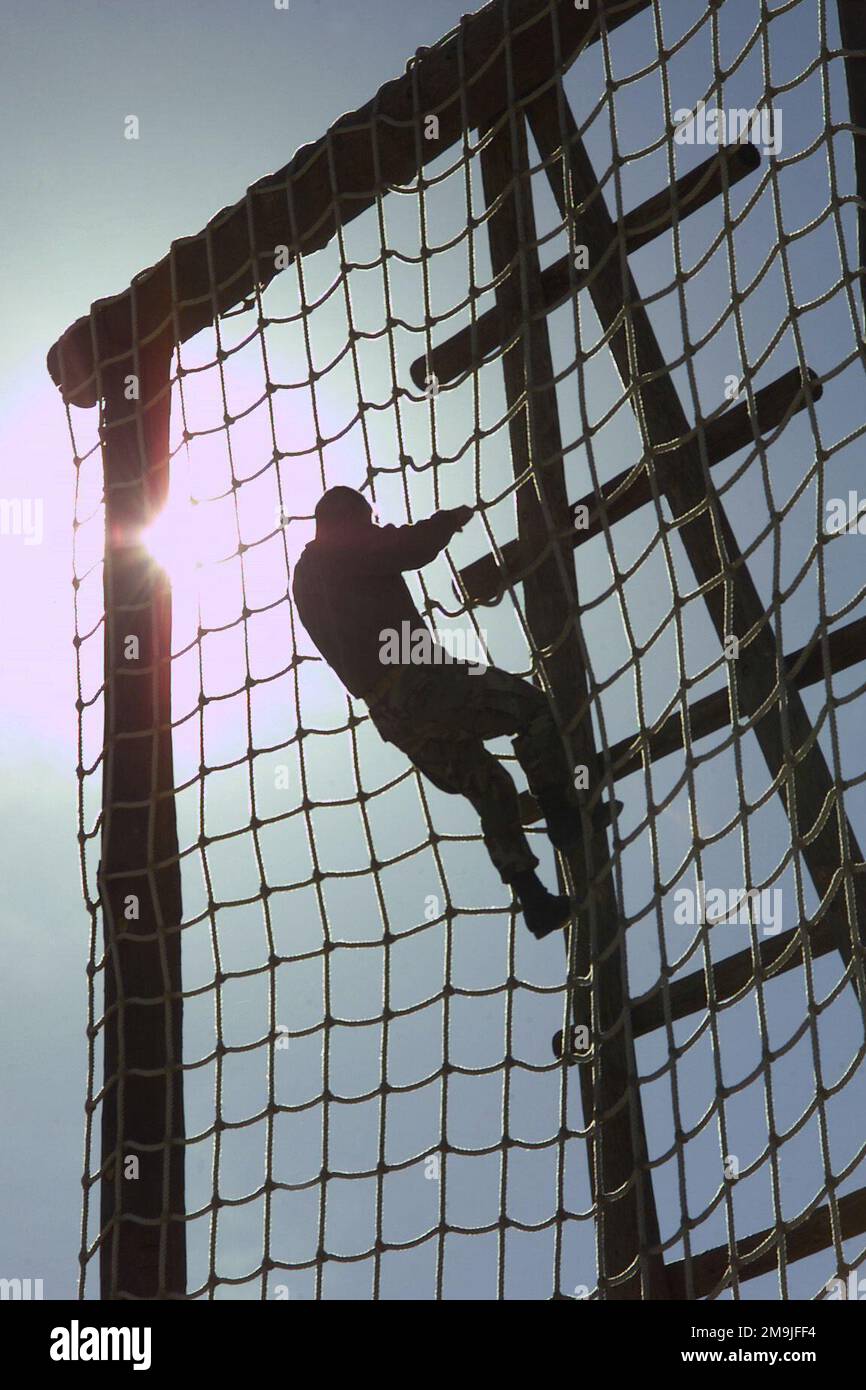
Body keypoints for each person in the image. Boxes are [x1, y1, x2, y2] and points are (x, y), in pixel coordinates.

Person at [292, 486, 582, 938]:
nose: (372, 527)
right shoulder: (336, 551)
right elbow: (406, 548)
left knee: (489, 787)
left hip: (394, 716)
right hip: (421, 683)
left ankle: (534, 899)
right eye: (365, 520)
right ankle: (563, 816)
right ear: (346, 519)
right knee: (531, 708)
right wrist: (449, 519)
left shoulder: (308, 576)